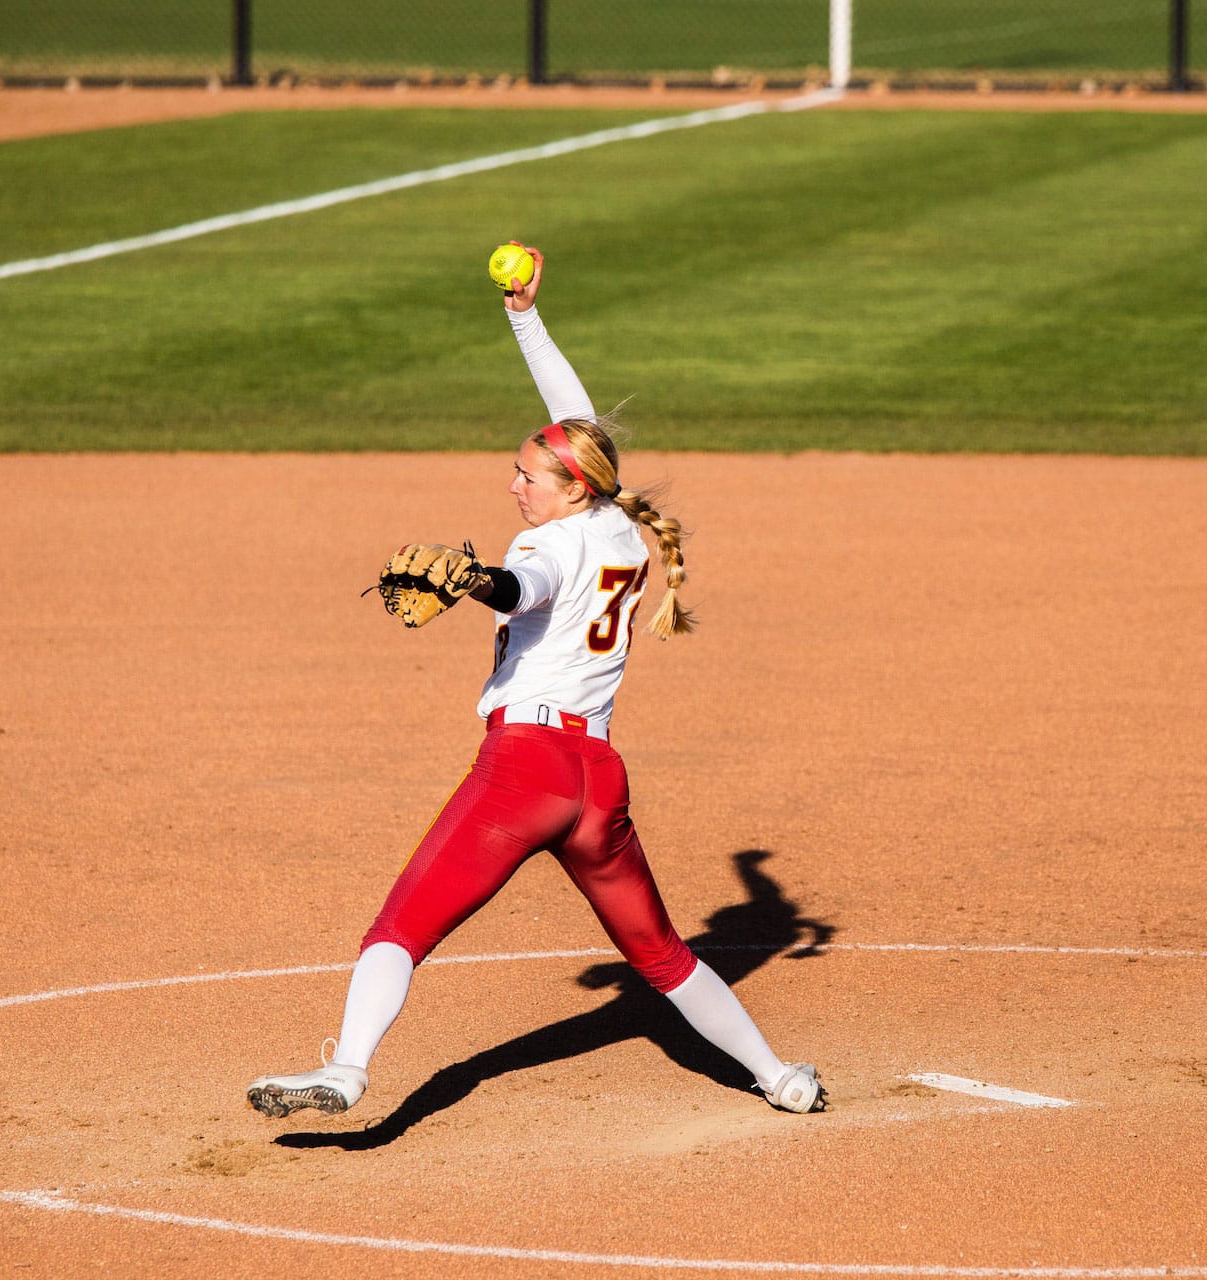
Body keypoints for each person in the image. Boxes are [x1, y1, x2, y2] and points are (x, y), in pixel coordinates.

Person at [246, 247, 824, 1119]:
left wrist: (473, 579)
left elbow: (524, 589)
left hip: (525, 771)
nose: (512, 484)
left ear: (566, 489)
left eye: (526, 476)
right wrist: (524, 317)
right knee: (662, 955)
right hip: (598, 782)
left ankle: (347, 1070)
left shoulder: (544, 546)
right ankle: (781, 1078)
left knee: (401, 927)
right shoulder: (620, 525)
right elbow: (577, 418)